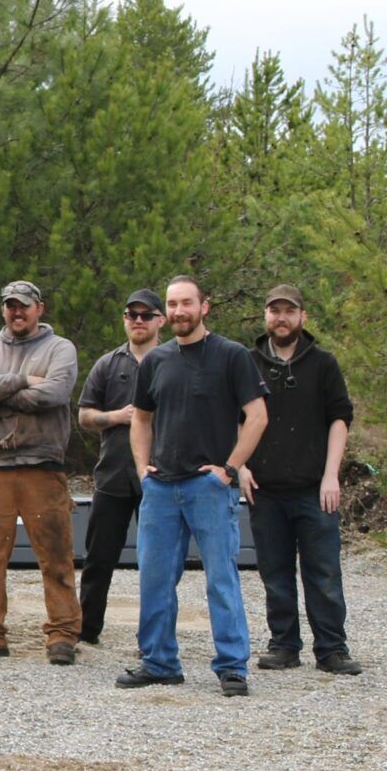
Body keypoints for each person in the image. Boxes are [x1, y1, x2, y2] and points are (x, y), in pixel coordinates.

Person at [122, 274, 267, 696]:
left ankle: (232, 667)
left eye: (187, 303)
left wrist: (229, 469)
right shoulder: (156, 361)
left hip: (209, 487)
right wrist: (142, 468)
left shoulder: (232, 356)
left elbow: (257, 416)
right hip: (161, 489)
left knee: (221, 578)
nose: (179, 311)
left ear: (204, 307)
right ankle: (159, 662)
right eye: (172, 304)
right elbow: (141, 418)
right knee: (154, 579)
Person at [0, 280, 83, 664]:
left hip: (42, 466)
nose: (17, 312)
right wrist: (24, 381)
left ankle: (62, 635)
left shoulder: (60, 348)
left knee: (56, 557)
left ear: (39, 308)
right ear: (4, 310)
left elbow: (55, 394)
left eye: (24, 305)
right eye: (10, 305)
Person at [249, 284, 361, 676]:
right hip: (264, 489)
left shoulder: (323, 364)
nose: (281, 318)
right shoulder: (247, 362)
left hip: (315, 489)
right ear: (265, 315)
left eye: (289, 311)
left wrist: (331, 475)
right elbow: (233, 418)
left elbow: (339, 419)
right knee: (274, 573)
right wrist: (240, 468)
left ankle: (331, 649)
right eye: (274, 310)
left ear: (302, 316)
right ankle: (283, 645)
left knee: (324, 573)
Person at [74, 288, 165, 646]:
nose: (138, 321)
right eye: (132, 315)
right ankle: (86, 629)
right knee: (98, 558)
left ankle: (154, 637)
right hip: (112, 475)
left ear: (161, 320)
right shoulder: (107, 364)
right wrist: (117, 416)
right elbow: (84, 415)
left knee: (158, 563)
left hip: (159, 477)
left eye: (146, 315)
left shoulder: (174, 361)